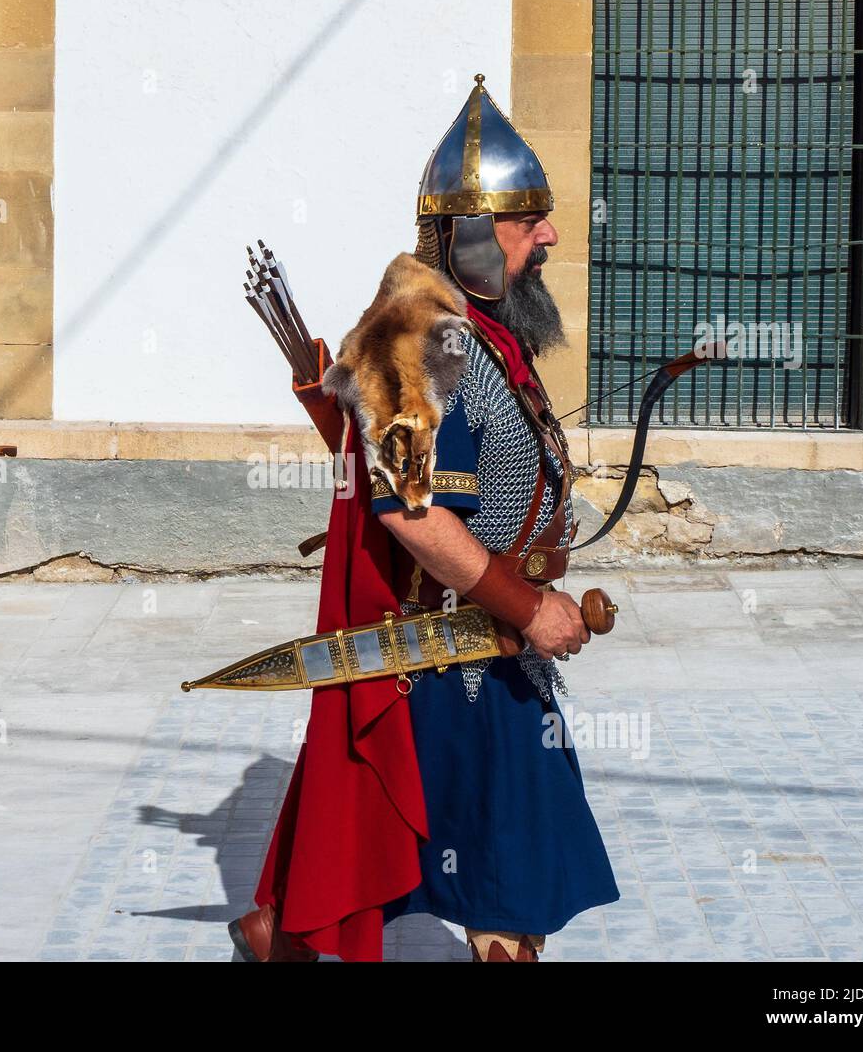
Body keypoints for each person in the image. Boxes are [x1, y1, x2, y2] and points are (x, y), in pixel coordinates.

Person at [232, 76, 619, 961]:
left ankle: (283, 935)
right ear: (475, 235)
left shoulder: (475, 328)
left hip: (490, 645)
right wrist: (531, 609)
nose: (551, 234)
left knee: (458, 863)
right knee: (508, 887)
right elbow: (412, 516)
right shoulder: (424, 334)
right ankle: (288, 933)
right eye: (531, 220)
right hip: (456, 659)